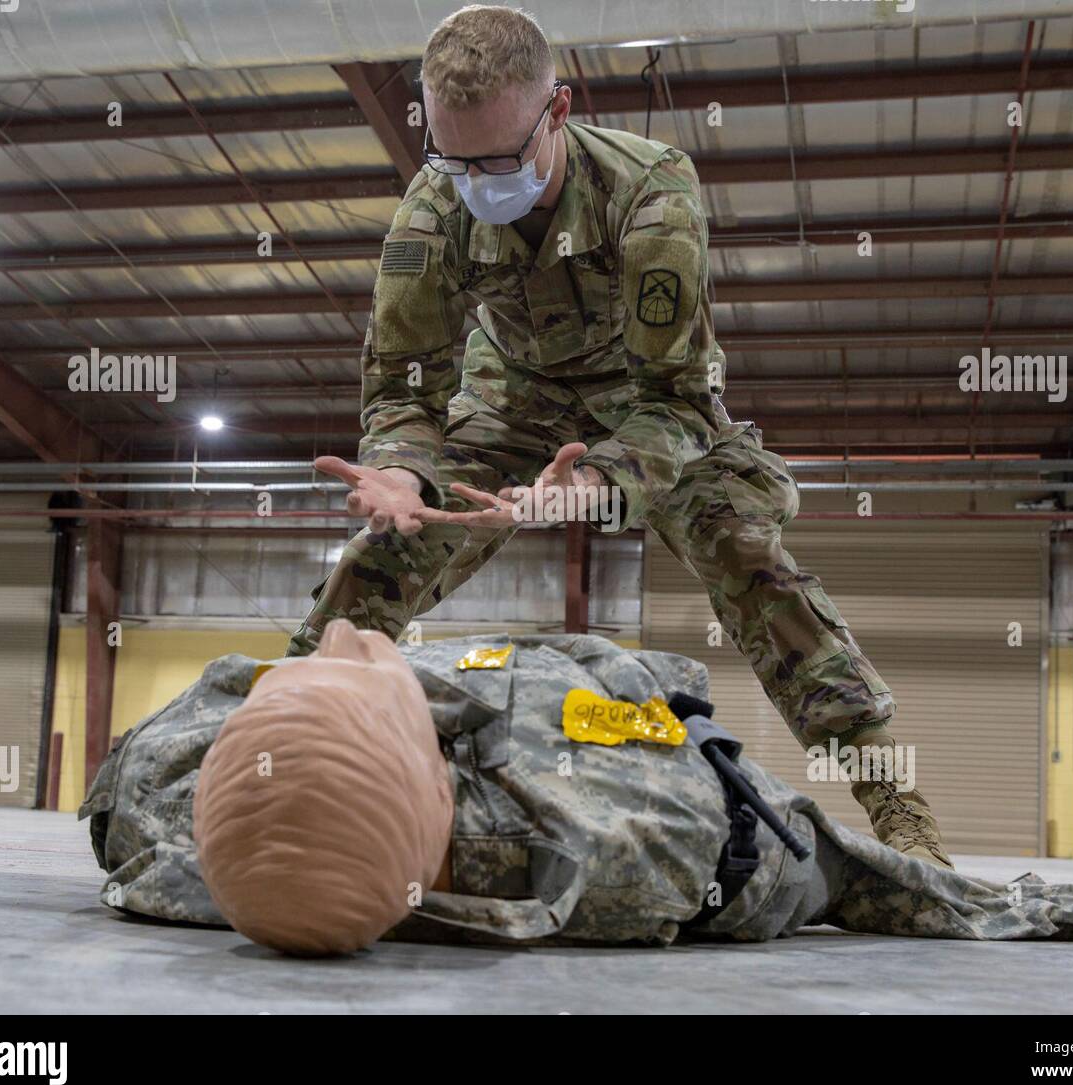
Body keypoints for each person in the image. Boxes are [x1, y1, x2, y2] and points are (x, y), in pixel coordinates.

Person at [287, 4, 953, 867]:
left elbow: (679, 398)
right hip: (510, 399)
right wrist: (404, 469)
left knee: (748, 552)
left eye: (498, 160)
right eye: (452, 160)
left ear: (557, 110)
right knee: (385, 548)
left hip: (645, 403)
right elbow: (404, 387)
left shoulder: (650, 193)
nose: (476, 181)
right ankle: (264, 741)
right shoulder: (434, 207)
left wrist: (601, 479)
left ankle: (899, 805)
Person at [79, 622, 1073, 954]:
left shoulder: (211, 814)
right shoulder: (652, 833)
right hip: (742, 840)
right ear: (438, 782)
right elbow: (826, 862)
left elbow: (177, 793)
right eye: (386, 685)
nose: (359, 639)